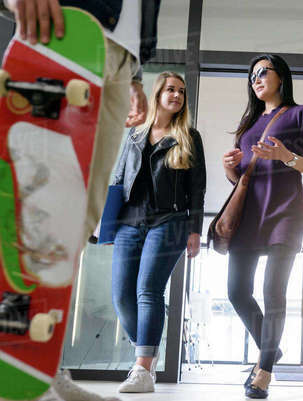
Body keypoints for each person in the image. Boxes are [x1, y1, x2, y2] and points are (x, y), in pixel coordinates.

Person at [0, 1, 161, 400]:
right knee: (28, 208)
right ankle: (16, 356)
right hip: (61, 29)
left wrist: (133, 70)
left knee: (77, 217)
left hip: (119, 55)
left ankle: (38, 363)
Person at [222, 54, 303, 399]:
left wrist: (286, 157)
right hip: (249, 216)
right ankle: (271, 348)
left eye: (263, 72)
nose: (256, 78)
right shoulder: (248, 124)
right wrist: (229, 168)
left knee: (272, 292)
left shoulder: (300, 114)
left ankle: (264, 369)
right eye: (251, 75)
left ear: (281, 77)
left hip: (284, 215)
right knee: (237, 291)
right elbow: (240, 180)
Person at [111, 71, 206, 393]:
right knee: (122, 296)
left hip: (170, 221)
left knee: (148, 290)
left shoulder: (189, 137)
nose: (177, 95)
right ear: (157, 94)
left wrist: (195, 230)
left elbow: (198, 189)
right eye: (170, 89)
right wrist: (105, 220)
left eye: (181, 91)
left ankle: (142, 368)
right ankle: (147, 351)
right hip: (129, 221)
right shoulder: (136, 133)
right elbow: (119, 178)